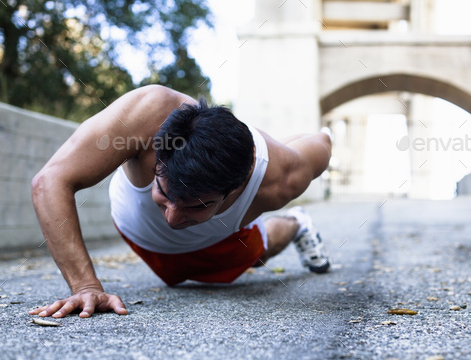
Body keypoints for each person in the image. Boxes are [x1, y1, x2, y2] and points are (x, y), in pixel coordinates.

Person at [29, 85, 332, 319]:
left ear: (235, 189)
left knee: (259, 250)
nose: (172, 219)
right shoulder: (145, 114)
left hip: (216, 245)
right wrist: (85, 286)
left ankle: (297, 223)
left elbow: (322, 144)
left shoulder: (283, 177)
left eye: (197, 206)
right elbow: (50, 181)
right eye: (165, 193)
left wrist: (325, 133)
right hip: (131, 228)